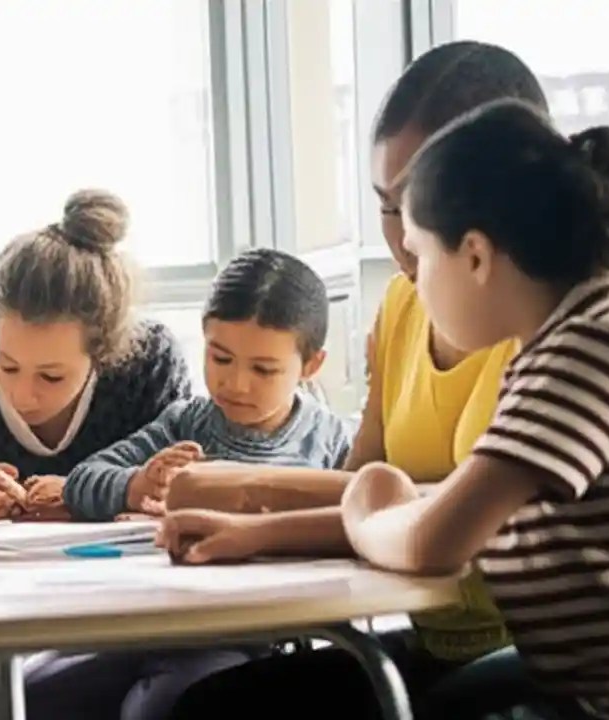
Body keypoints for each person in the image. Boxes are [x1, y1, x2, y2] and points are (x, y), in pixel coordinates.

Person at [159, 42, 554, 718]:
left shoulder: (566, 326)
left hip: (542, 657)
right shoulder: (405, 302)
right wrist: (247, 522)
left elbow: (450, 523)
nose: (401, 238)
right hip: (438, 642)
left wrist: (256, 497)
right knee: (211, 707)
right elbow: (367, 488)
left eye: (419, 206)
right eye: (385, 206)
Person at [338, 98, 609, 718]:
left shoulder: (586, 348)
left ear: (474, 255)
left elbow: (437, 543)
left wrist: (365, 514)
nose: (414, 281)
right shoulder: (580, 333)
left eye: (421, 256)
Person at [0, 190, 228, 720]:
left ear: (104, 354)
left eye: (51, 376)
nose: (24, 394)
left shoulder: (146, 367)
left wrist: (78, 497)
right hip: (12, 607)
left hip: (138, 605)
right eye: (7, 365)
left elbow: (164, 501)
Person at [66, 247, 352, 523]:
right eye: (221, 359)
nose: (237, 385)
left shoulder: (329, 438)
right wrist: (136, 485)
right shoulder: (186, 425)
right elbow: (82, 478)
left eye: (263, 370)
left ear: (311, 365)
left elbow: (360, 511)